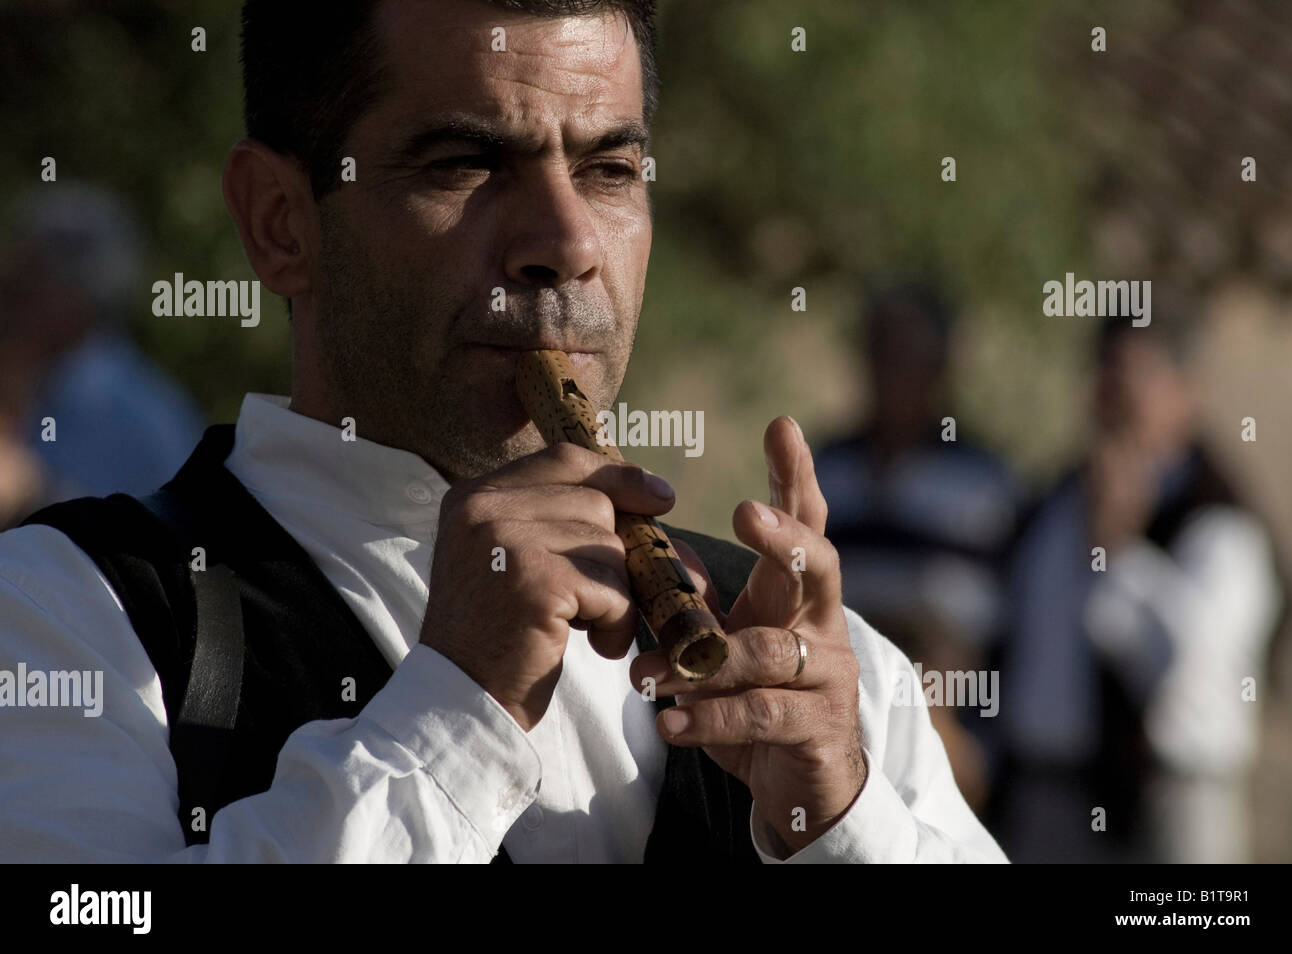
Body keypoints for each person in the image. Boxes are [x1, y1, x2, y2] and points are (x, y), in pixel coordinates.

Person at [0, 0, 1005, 863]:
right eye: (466, 165)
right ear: (278, 222)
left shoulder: (820, 664)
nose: (565, 245)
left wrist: (837, 820)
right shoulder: (61, 616)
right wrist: (455, 711)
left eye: (610, 171)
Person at [990, 314, 1283, 862]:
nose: (1114, 395)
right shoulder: (1051, 510)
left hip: (1172, 805)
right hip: (1050, 800)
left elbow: (1186, 668)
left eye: (1135, 375)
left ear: (1186, 392)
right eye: (1105, 374)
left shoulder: (1220, 524)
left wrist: (1117, 551)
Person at [813, 283, 1020, 808]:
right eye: (883, 354)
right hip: (839, 710)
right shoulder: (827, 468)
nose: (895, 373)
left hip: (952, 726)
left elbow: (1004, 621)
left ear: (942, 366)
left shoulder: (984, 479)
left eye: (911, 357)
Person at [0, 185, 205, 529]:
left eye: (27, 283)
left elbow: (145, 547)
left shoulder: (140, 419)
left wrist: (33, 493)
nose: (8, 299)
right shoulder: (31, 379)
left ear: (77, 296)